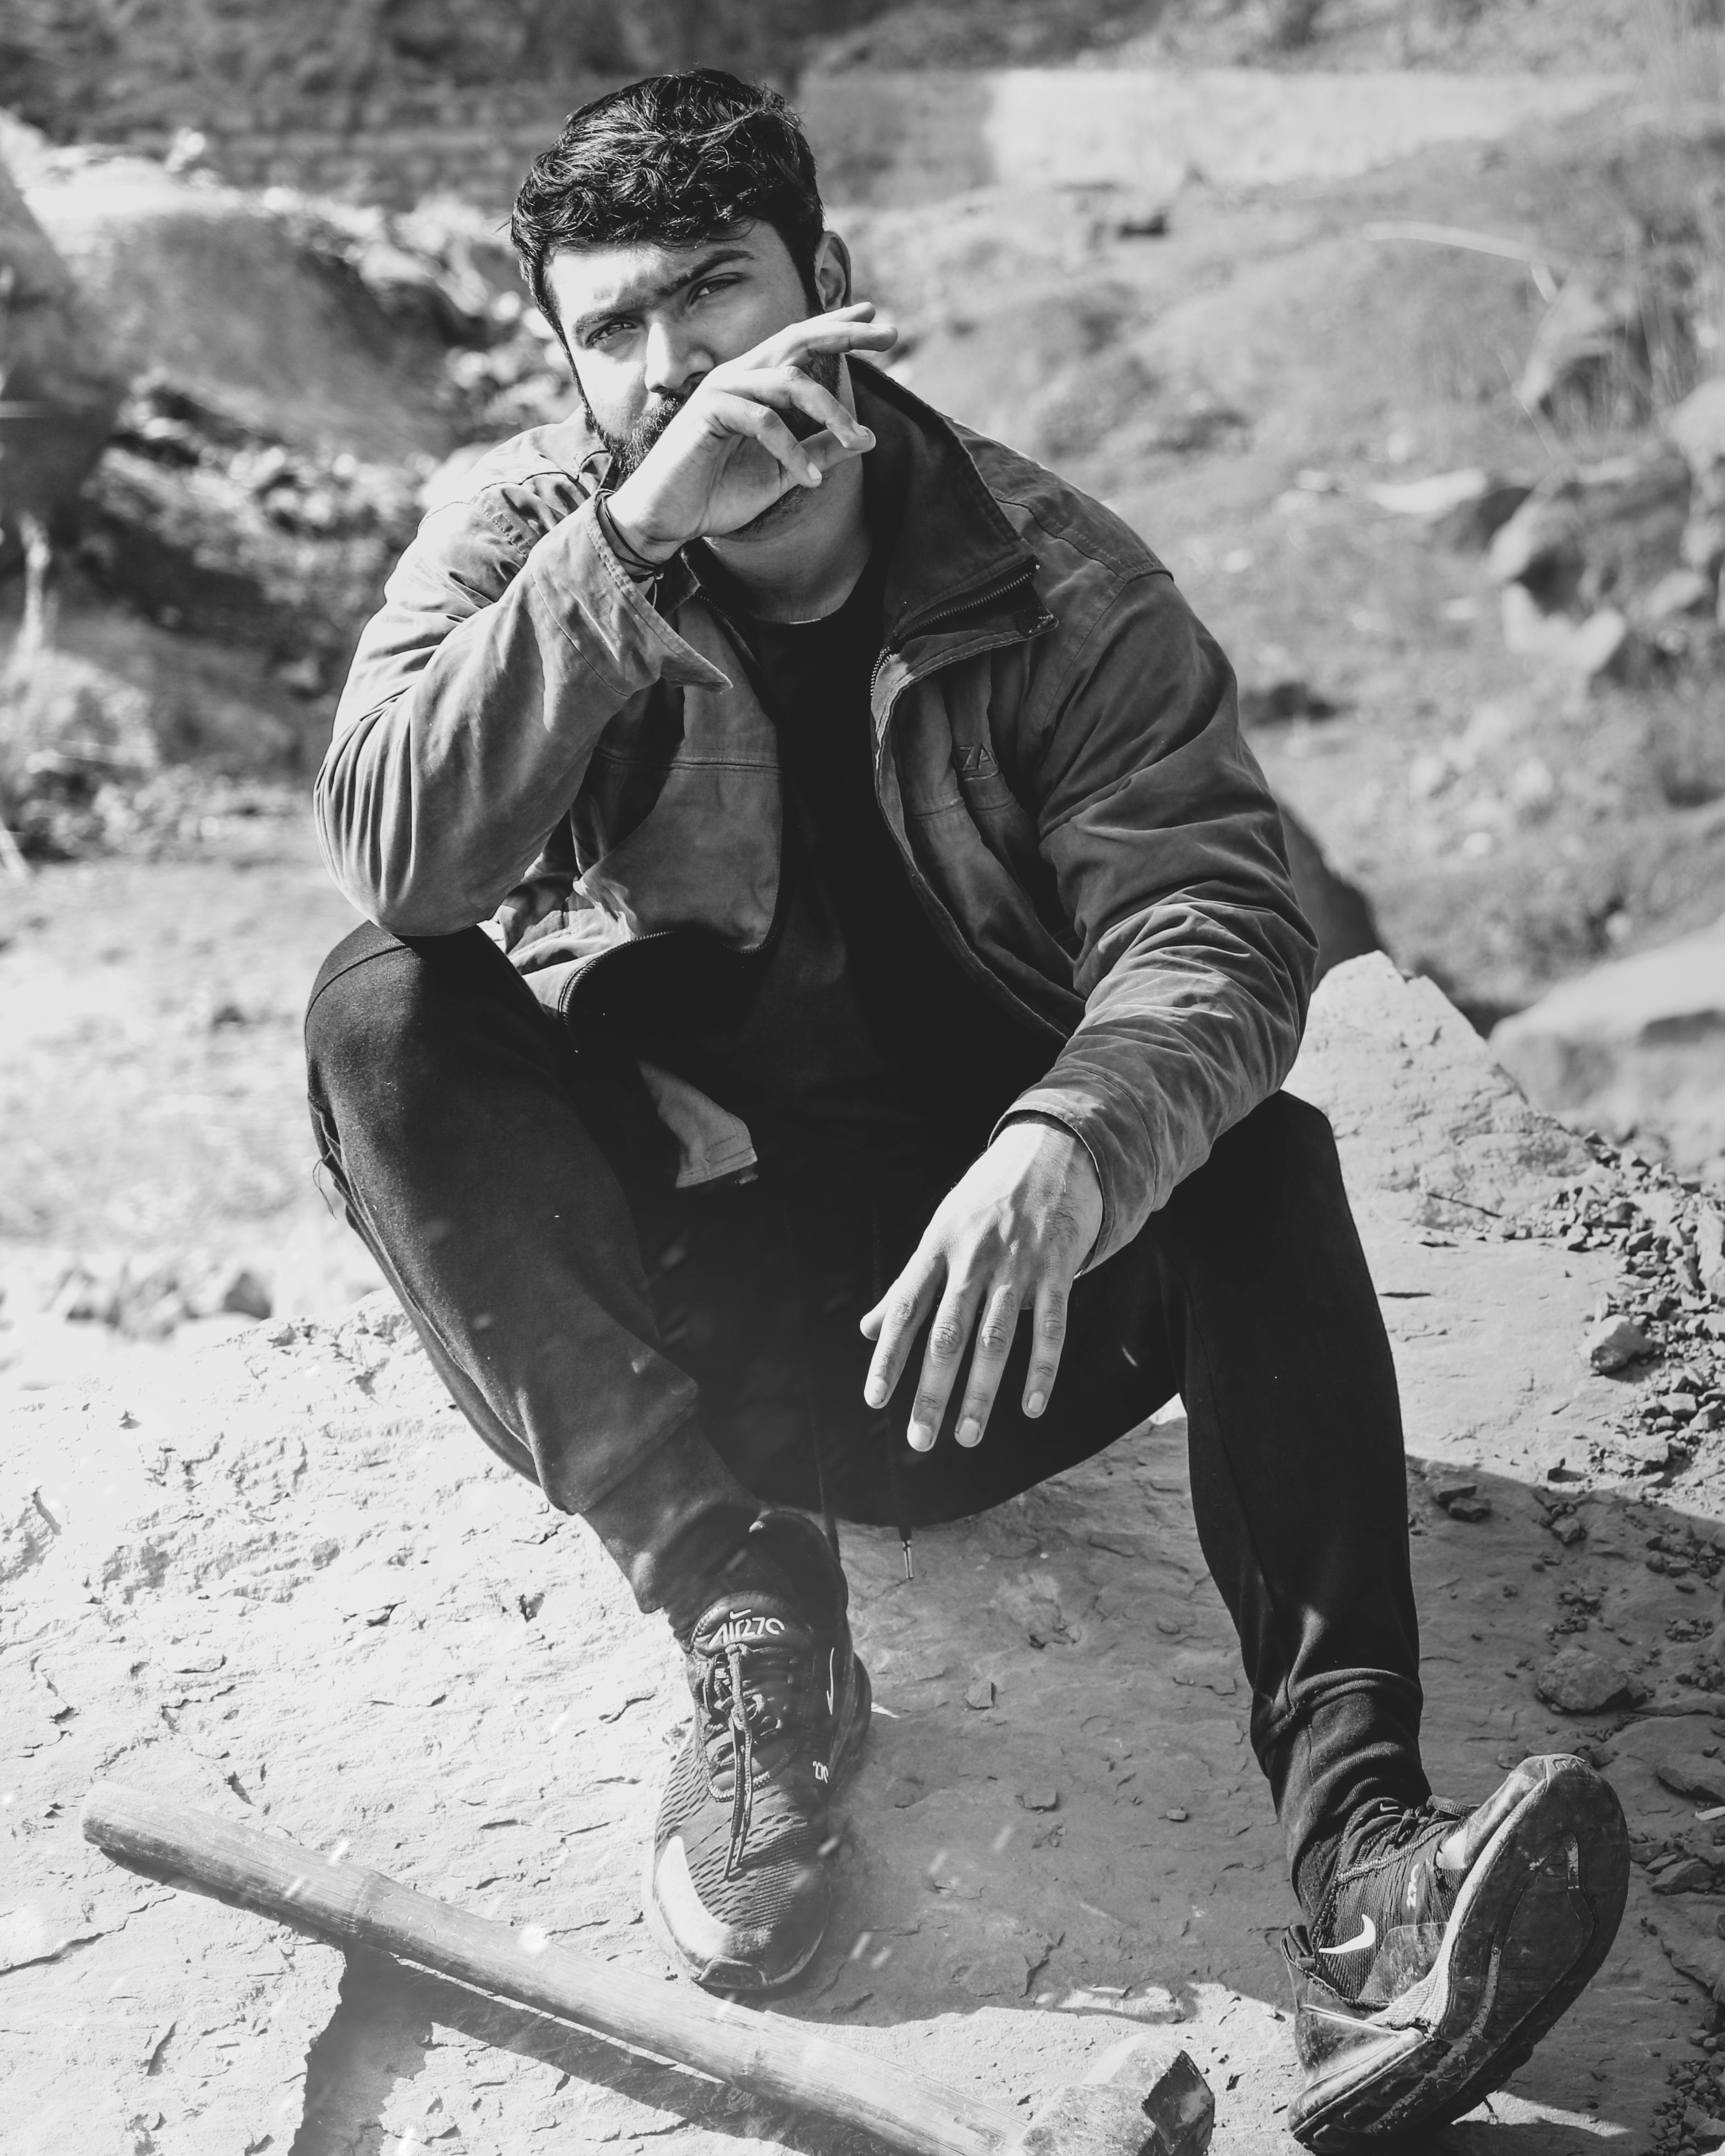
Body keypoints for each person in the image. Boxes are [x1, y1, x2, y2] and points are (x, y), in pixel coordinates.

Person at [305, 68, 1628, 2146]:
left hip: (992, 1309)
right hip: (692, 1312)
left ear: (829, 288)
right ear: (566, 366)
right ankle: (756, 1632)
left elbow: (1217, 924)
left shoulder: (1055, 582)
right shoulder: (536, 531)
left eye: (715, 298)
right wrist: (622, 545)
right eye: (616, 333)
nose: (677, 372)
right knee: (380, 1010)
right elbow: (399, 851)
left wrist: (1069, 1143)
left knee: (1261, 1159)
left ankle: (1374, 1880)